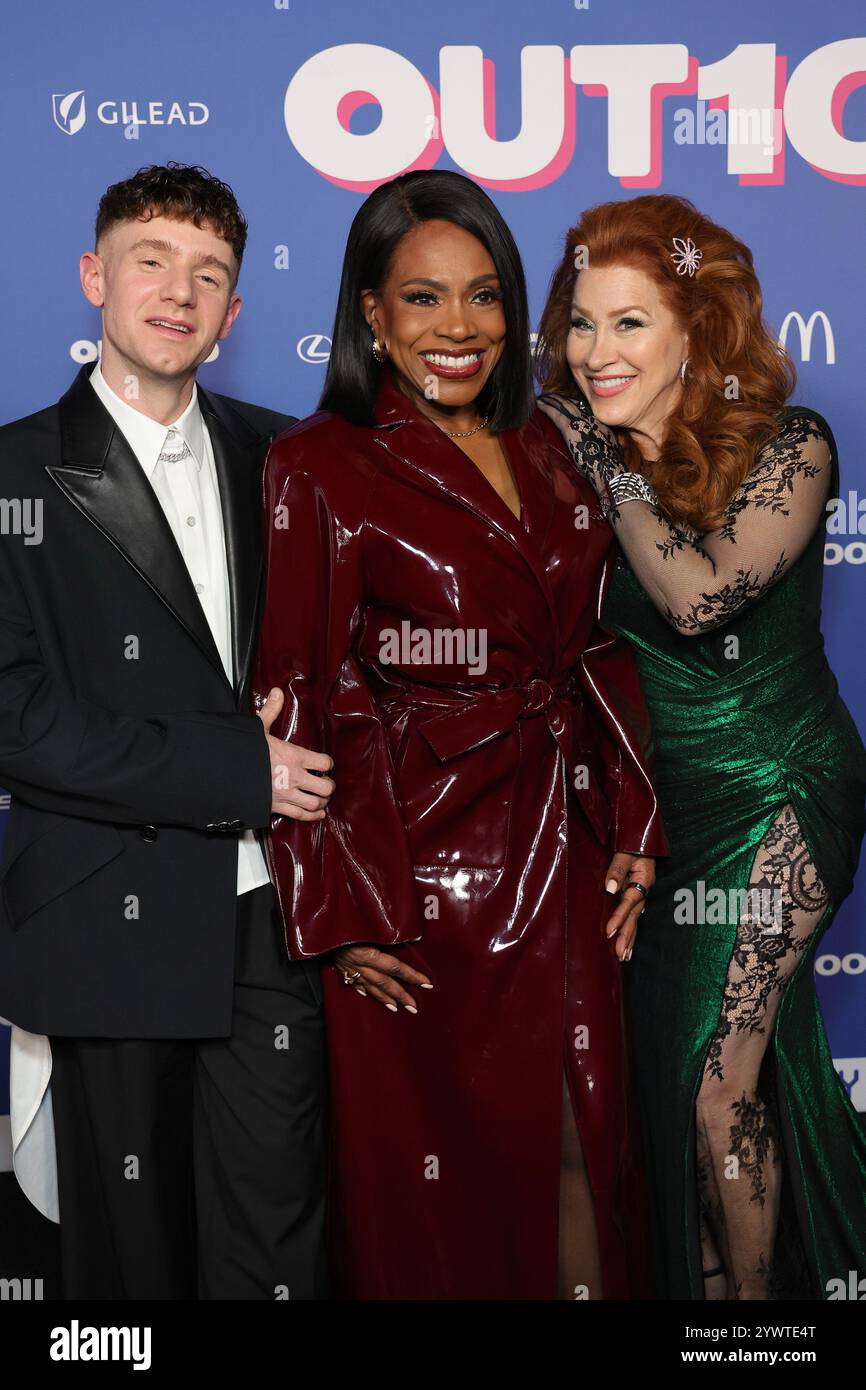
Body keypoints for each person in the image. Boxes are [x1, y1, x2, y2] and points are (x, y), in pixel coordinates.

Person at [252, 169, 669, 1301]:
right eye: (422, 299)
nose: (458, 328)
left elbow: (592, 649)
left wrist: (632, 816)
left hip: (565, 841)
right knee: (427, 1193)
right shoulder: (318, 465)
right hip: (414, 876)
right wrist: (339, 915)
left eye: (482, 297)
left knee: (585, 1142)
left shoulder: (552, 447)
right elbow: (296, 694)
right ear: (372, 317)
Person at [0, 163, 332, 1299]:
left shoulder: (290, 458)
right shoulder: (9, 474)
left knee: (276, 1233)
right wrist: (241, 765)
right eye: (152, 260)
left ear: (235, 313)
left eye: (209, 274)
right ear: (96, 276)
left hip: (269, 914)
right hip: (106, 918)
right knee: (130, 1263)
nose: (178, 292)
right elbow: (18, 717)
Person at [536, 192, 866, 1300]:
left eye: (629, 322)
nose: (595, 352)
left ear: (696, 329)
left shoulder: (790, 445)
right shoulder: (562, 465)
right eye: (580, 323)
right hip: (653, 821)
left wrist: (611, 465)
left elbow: (697, 596)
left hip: (778, 787)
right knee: (664, 1079)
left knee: (716, 1084)